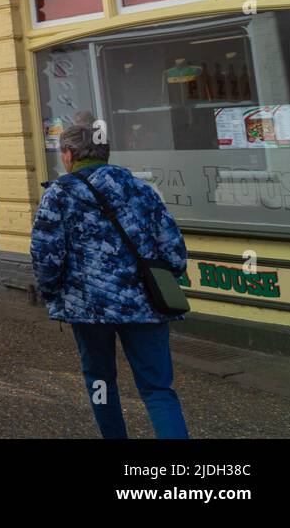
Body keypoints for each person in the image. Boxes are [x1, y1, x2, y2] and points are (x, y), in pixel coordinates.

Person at [32, 122, 190, 439]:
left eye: (62, 152)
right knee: (158, 388)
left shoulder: (59, 195)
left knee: (100, 380)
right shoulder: (142, 189)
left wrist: (52, 293)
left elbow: (46, 256)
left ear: (69, 154)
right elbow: (174, 251)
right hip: (146, 305)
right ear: (105, 153)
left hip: (88, 307)